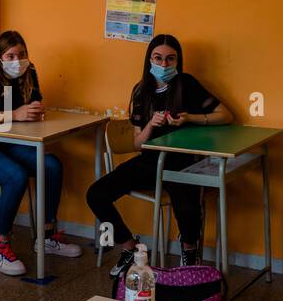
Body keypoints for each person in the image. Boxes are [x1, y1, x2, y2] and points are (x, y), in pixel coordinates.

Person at [87, 33, 232, 275]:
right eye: (158, 58)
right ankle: (131, 248)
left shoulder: (187, 84)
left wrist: (191, 118)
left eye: (170, 59)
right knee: (96, 194)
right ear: (149, 60)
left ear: (177, 61)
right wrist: (151, 124)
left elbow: (226, 115)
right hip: (151, 161)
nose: (164, 65)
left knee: (187, 208)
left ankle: (188, 250)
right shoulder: (141, 90)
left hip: (183, 162)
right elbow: (138, 143)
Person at [0, 30, 82, 276]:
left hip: (4, 142)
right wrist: (16, 114)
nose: (16, 60)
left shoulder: (29, 72)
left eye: (21, 54)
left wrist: (34, 112)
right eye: (10, 55)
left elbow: (32, 107)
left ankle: (47, 235)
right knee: (15, 176)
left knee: (51, 165)